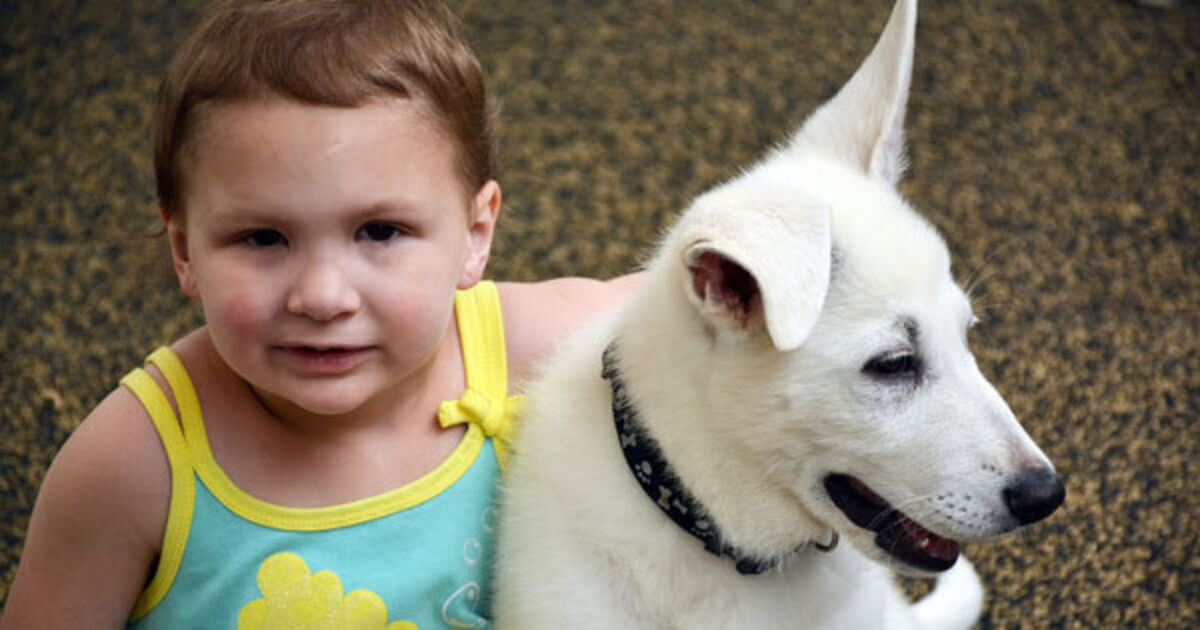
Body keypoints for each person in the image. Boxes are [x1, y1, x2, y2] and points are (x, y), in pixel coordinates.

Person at [0, 1, 638, 628]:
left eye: (380, 231)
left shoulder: (538, 346)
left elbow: (689, 290)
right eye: (264, 238)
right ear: (185, 250)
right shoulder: (133, 465)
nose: (323, 297)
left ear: (475, 234)